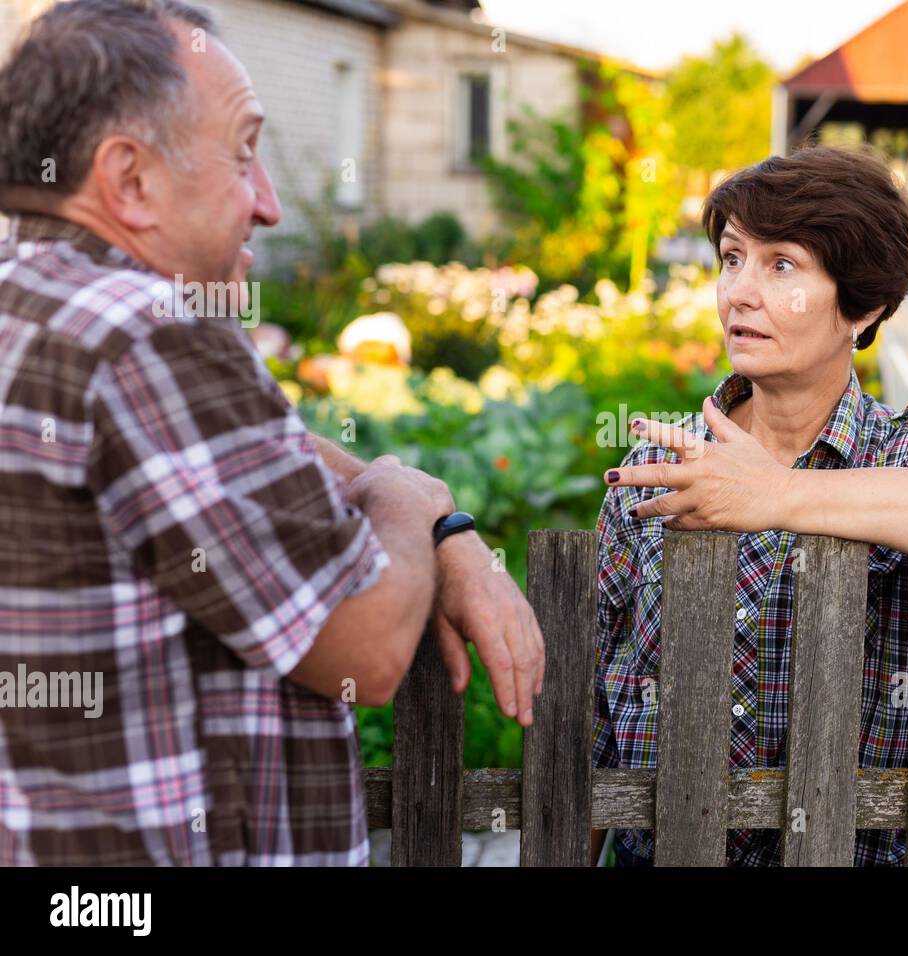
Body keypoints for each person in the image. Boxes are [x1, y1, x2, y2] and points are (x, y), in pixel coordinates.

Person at [0, 0, 542, 866]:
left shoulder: (33, 296)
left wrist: (447, 533)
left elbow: (257, 453)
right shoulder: (151, 332)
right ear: (129, 179)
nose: (271, 203)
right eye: (244, 150)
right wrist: (408, 496)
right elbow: (361, 642)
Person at [589, 145, 908, 866]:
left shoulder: (906, 451)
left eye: (781, 265)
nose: (739, 292)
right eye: (731, 258)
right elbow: (592, 714)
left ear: (864, 304)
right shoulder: (660, 472)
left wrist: (778, 494)